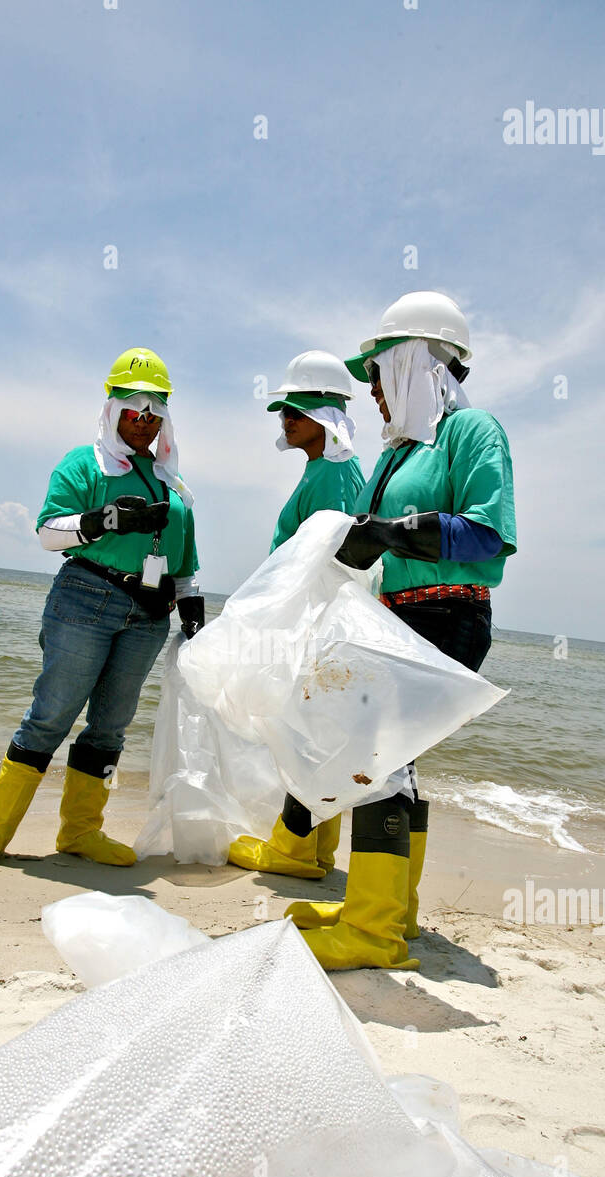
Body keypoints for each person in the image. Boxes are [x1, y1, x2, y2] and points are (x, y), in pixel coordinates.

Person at [285, 291, 517, 970]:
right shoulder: (392, 456)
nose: (376, 397)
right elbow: (354, 543)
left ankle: (372, 930)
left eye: (381, 376)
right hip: (392, 618)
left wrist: (393, 532)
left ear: (416, 362)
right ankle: (392, 913)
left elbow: (489, 536)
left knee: (379, 760)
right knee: (390, 761)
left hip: (448, 615)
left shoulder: (473, 434)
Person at [0, 348, 204, 875]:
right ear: (113, 409)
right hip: (86, 599)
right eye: (134, 411)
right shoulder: (82, 463)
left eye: (154, 414)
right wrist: (104, 521)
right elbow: (46, 533)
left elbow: (185, 566)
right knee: (50, 718)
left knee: (110, 727)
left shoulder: (173, 484)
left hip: (148, 616)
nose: (144, 422)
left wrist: (194, 617)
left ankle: (81, 831)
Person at [227, 350, 365, 880]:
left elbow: (325, 562)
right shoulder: (326, 469)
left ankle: (293, 851)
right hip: (323, 621)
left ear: (327, 417)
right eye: (284, 410)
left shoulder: (332, 475)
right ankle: (317, 851)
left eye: (297, 410)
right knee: (320, 735)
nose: (286, 419)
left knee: (307, 734)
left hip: (320, 623)